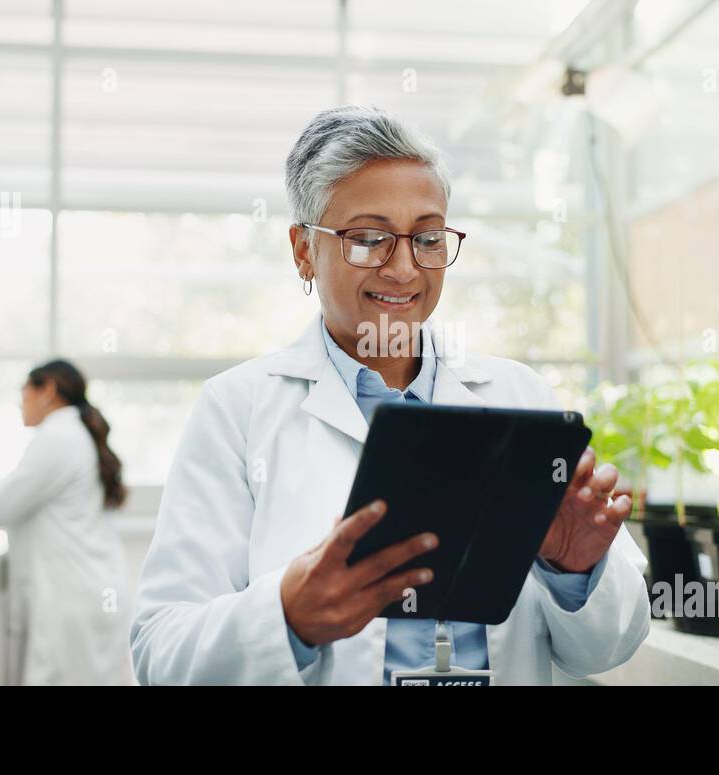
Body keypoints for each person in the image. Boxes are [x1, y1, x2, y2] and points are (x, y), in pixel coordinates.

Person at [131, 106, 651, 685]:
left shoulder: (520, 395)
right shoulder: (238, 411)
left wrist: (575, 570)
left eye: (427, 237)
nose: (404, 268)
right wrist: (286, 617)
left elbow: (607, 649)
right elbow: (160, 652)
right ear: (304, 249)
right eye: (369, 238)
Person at [0, 359, 133, 685]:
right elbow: (15, 492)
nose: (19, 402)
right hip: (86, 595)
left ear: (47, 391)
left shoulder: (58, 438)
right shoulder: (71, 434)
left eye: (23, 391)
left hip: (73, 602)